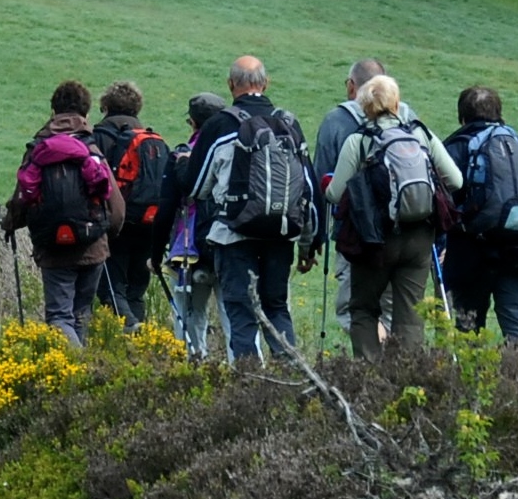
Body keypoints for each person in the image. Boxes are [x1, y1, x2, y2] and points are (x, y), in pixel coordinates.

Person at [184, 56, 314, 361]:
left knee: (241, 314)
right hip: (281, 234)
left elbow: (196, 187)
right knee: (277, 308)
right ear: (265, 83)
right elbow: (308, 189)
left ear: (231, 85)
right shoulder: (289, 124)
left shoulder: (220, 125)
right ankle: (292, 378)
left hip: (234, 235)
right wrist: (309, 244)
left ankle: (250, 388)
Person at [325, 74, 461, 358]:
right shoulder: (421, 134)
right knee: (411, 311)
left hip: (375, 239)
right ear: (397, 103)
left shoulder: (358, 142)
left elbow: (336, 194)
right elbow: (456, 180)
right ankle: (406, 379)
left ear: (364, 106)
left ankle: (370, 376)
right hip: (419, 237)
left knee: (363, 307)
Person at [3, 80, 125, 345]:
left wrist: (9, 224)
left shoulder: (39, 149)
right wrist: (107, 236)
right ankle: (81, 375)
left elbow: (22, 198)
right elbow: (115, 208)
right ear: (86, 113)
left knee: (59, 317)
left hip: (52, 247)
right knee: (81, 314)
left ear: (53, 111)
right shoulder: (91, 148)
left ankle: (75, 370)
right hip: (92, 245)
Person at [441, 86, 518, 342]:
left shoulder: (456, 148)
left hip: (470, 256)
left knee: (468, 329)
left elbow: (441, 205)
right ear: (499, 113)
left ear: (462, 117)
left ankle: (467, 381)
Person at [314, 59, 403, 342]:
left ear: (352, 87)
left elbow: (324, 184)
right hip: (405, 231)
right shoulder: (411, 120)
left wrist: (314, 238)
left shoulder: (337, 121)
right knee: (391, 312)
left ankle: (369, 372)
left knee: (355, 310)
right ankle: (393, 372)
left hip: (357, 235)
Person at [90, 81, 171, 325]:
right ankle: (142, 343)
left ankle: (128, 328)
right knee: (136, 287)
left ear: (105, 106)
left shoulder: (100, 138)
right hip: (151, 222)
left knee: (110, 287)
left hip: (118, 223)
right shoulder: (153, 139)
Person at [165, 91, 231, 356]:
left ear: (192, 122)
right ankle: (246, 373)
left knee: (189, 312)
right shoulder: (236, 152)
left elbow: (168, 205)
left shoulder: (185, 155)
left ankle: (192, 365)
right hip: (229, 243)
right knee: (234, 317)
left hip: (189, 247)